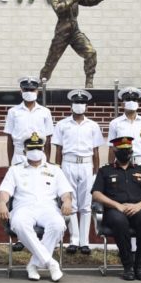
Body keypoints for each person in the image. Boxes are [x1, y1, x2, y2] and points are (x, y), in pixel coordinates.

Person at [0, 133, 73, 282]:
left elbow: (65, 192)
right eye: (31, 149)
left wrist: (67, 201)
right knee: (19, 223)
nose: (35, 151)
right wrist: (1, 203)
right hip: (23, 207)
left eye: (38, 148)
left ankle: (33, 264)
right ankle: (51, 263)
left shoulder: (55, 169)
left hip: (48, 208)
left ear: (43, 149)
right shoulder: (15, 170)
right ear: (25, 151)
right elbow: (4, 191)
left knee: (58, 225)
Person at [92, 136, 141, 281]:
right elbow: (96, 194)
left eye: (128, 150)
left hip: (138, 208)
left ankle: (140, 266)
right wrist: (118, 206)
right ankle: (128, 266)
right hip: (114, 210)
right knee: (119, 222)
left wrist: (139, 206)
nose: (125, 152)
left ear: (131, 151)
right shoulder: (105, 170)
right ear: (115, 151)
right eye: (122, 150)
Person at [3, 76, 54, 251]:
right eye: (26, 90)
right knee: (19, 195)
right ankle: (20, 236)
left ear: (37, 91)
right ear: (21, 91)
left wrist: (48, 160)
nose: (29, 92)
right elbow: (9, 139)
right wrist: (10, 162)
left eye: (32, 90)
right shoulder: (13, 112)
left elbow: (48, 140)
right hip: (19, 155)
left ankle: (40, 234)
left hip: (39, 155)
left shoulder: (45, 112)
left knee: (39, 191)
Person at [52, 89, 105, 255]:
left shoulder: (93, 125)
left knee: (86, 205)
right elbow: (58, 150)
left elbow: (96, 151)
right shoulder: (62, 124)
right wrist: (58, 169)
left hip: (87, 165)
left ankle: (84, 242)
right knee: (71, 203)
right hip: (68, 163)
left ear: (86, 106)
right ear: (71, 105)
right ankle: (74, 240)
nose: (79, 105)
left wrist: (96, 173)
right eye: (76, 102)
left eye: (82, 103)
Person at [39, 0, 108, 88]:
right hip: (62, 32)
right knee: (50, 62)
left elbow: (88, 2)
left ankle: (89, 82)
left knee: (91, 53)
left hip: (75, 31)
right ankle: (41, 83)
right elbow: (59, 8)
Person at [107, 87, 141, 171]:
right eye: (128, 100)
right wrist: (110, 170)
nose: (131, 102)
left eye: (134, 100)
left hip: (140, 162)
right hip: (121, 163)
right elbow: (112, 148)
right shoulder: (115, 123)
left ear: (138, 103)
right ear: (122, 104)